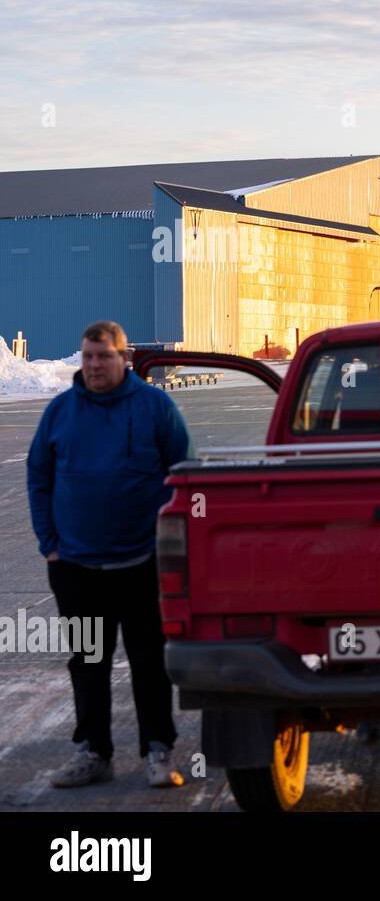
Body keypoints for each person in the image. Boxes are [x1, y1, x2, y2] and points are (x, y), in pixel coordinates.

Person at [27, 320, 191, 789]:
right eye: (88, 357)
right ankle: (93, 752)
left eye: (104, 356)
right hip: (77, 567)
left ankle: (158, 751)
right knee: (88, 661)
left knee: (148, 660)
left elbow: (184, 471)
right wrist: (50, 545)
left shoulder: (155, 407)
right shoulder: (61, 412)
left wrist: (171, 542)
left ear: (125, 359)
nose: (95, 365)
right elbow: (39, 478)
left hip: (142, 563)